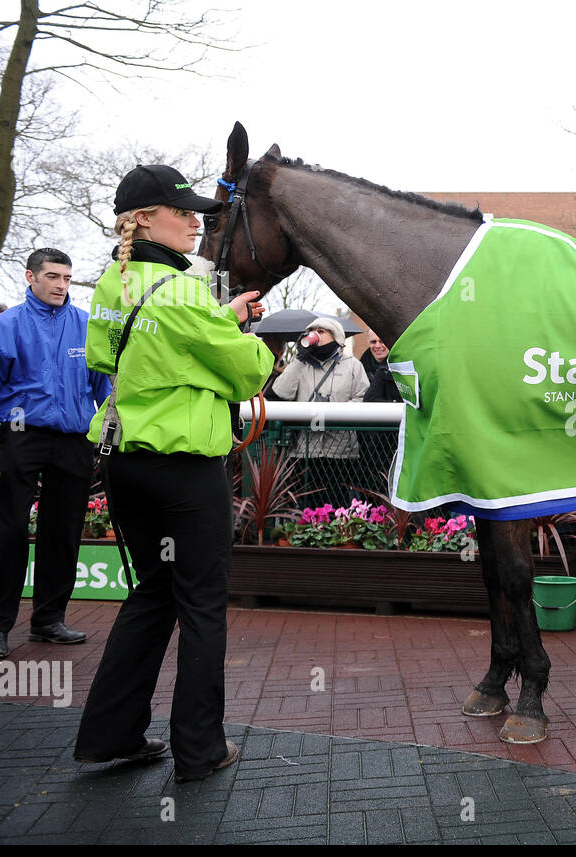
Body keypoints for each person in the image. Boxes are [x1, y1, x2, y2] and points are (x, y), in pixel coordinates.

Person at [72, 164, 273, 781]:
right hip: (187, 470)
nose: (194, 220)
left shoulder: (111, 283)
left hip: (126, 462)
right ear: (142, 219)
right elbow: (250, 371)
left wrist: (216, 327)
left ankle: (111, 736)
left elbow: (109, 355)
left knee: (152, 593)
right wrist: (235, 331)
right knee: (203, 605)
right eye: (180, 211)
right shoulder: (187, 293)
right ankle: (199, 749)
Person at [0, 250, 111, 660]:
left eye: (67, 277)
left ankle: (49, 620)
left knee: (63, 531)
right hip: (21, 435)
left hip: (74, 440)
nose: (61, 285)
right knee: (10, 530)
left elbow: (104, 388)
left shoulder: (87, 326)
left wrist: (110, 434)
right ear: (30, 276)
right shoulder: (5, 327)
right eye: (52, 276)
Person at [271, 316, 369, 503]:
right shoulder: (301, 363)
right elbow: (281, 393)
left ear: (337, 337)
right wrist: (298, 360)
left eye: (321, 331)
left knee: (336, 503)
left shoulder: (353, 365)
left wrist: (335, 414)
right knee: (305, 504)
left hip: (340, 451)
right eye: (311, 330)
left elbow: (362, 398)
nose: (314, 334)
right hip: (304, 450)